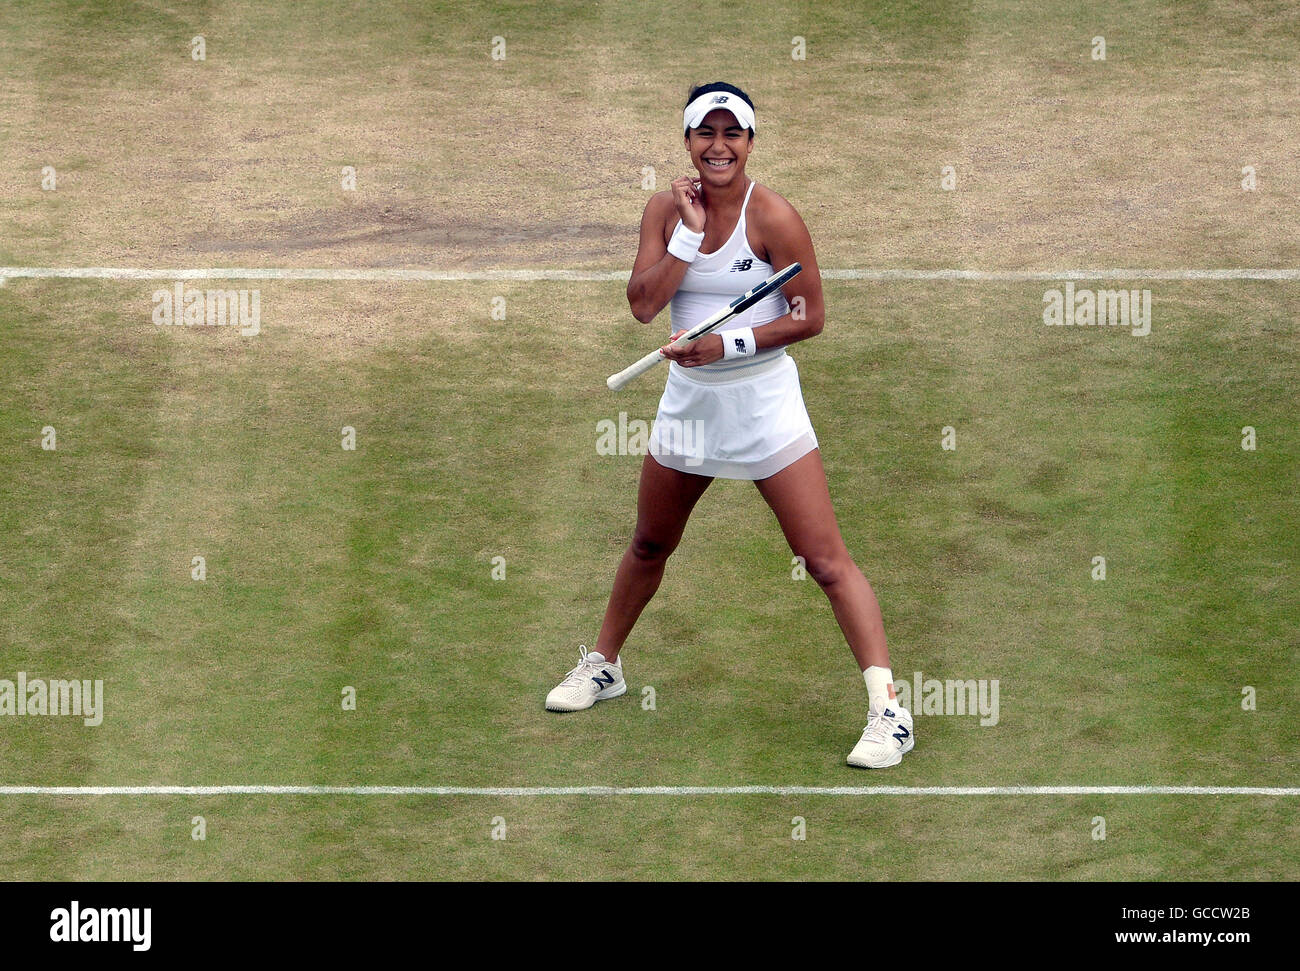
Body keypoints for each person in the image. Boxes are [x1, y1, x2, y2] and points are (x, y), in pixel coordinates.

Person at [545, 82, 913, 768]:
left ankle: (889, 712)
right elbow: (644, 307)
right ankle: (604, 664)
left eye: (732, 133)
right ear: (687, 141)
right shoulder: (664, 209)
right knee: (650, 542)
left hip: (763, 404)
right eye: (705, 133)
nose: (719, 146)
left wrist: (729, 345)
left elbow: (810, 315)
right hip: (688, 403)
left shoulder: (773, 216)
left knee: (825, 559)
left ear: (750, 142)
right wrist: (684, 235)